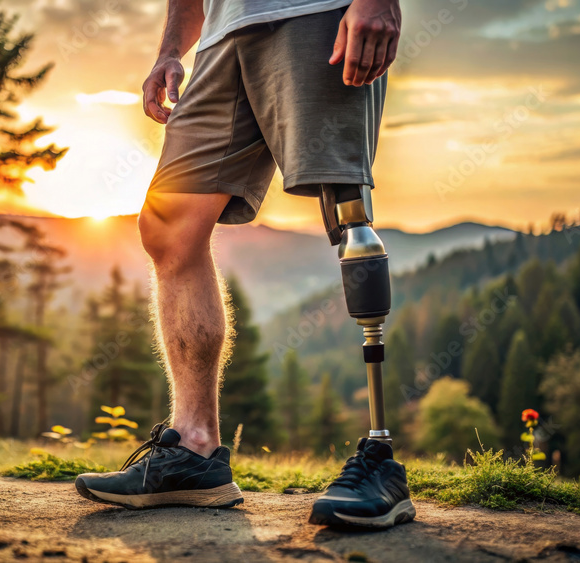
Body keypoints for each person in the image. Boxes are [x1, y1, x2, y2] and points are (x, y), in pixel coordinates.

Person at [76, 0, 415, 529]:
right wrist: (170, 49)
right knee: (168, 228)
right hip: (221, 35)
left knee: (348, 211)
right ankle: (194, 452)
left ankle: (380, 462)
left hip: (316, 13)